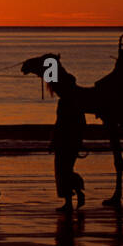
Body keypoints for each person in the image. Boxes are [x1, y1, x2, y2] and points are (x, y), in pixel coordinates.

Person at [51, 71, 86, 212]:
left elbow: (60, 123)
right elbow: (81, 123)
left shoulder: (66, 102)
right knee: (66, 170)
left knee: (62, 170)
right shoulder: (75, 102)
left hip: (65, 141)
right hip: (71, 140)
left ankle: (72, 199)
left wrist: (54, 140)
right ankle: (75, 195)